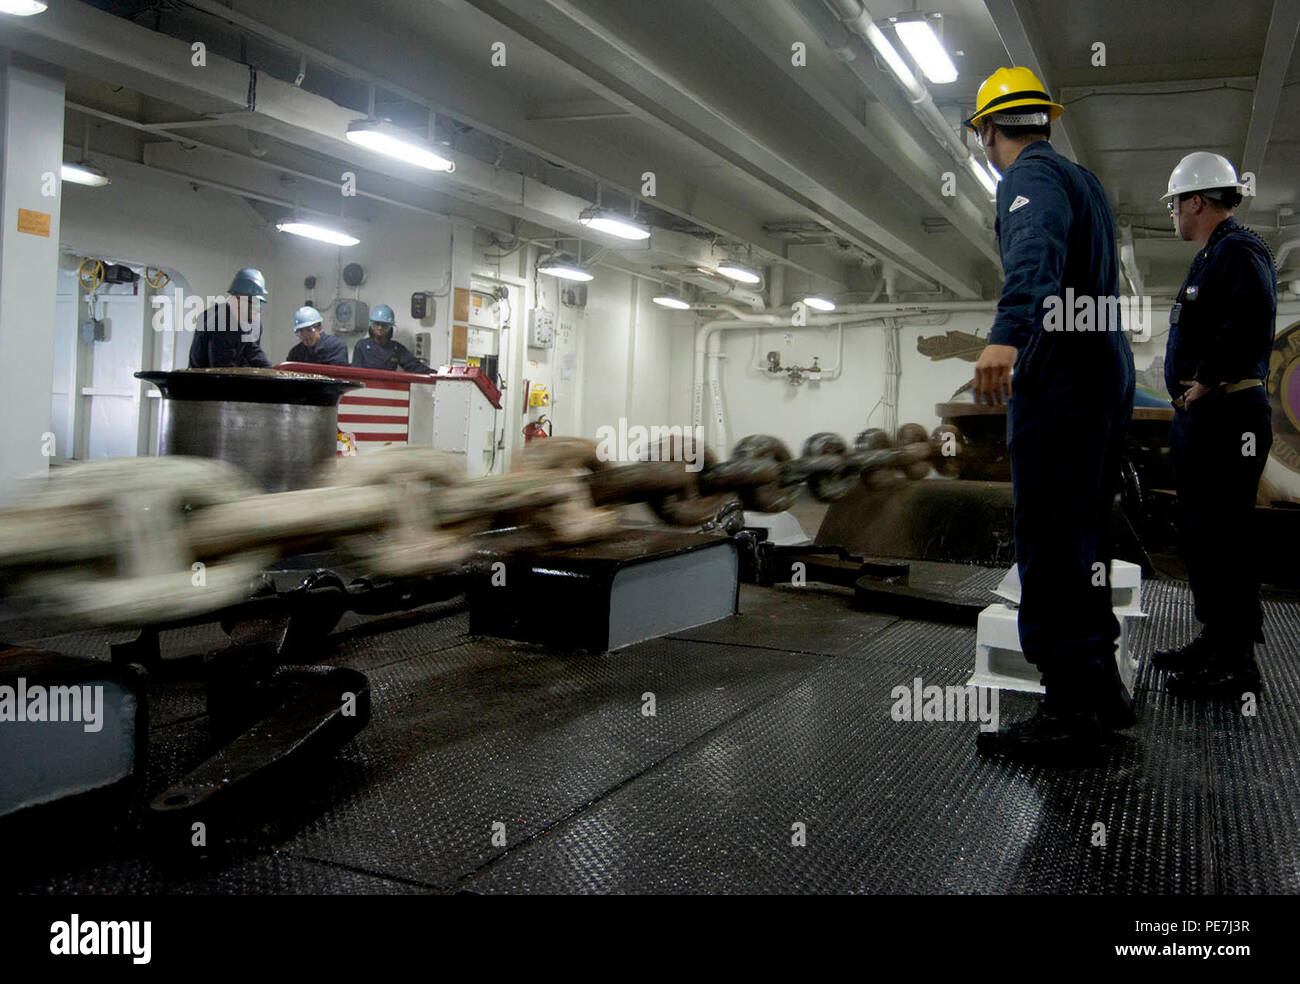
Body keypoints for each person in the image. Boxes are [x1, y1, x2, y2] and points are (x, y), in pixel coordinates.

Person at [965, 67, 1137, 763]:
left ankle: (1069, 711)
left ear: (987, 132)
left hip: (1061, 376)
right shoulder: (1085, 181)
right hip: (1102, 371)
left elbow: (1035, 248)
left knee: (1051, 540)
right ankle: (1102, 692)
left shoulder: (1027, 178)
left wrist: (1007, 333)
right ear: (1045, 119)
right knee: (1086, 537)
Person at [1151, 152, 1276, 698]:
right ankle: (1215, 641)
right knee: (1204, 535)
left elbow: (1248, 322)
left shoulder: (1240, 251)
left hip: (1228, 415)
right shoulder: (1211, 257)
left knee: (1225, 536)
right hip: (1205, 419)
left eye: (1177, 202)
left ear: (1197, 201)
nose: (1174, 213)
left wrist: (1207, 380)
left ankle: (1236, 664)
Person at [188, 267, 272, 368]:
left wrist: (272, 373)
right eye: (252, 303)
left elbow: (254, 352)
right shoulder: (219, 323)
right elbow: (221, 365)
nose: (257, 310)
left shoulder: (252, 324)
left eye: (259, 304)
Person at [350, 304, 432, 372]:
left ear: (390, 327)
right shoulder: (362, 346)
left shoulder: (396, 349)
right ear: (371, 325)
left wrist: (438, 373)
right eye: (376, 324)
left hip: (389, 389)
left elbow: (415, 366)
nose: (379, 328)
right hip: (365, 389)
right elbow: (355, 373)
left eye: (384, 325)